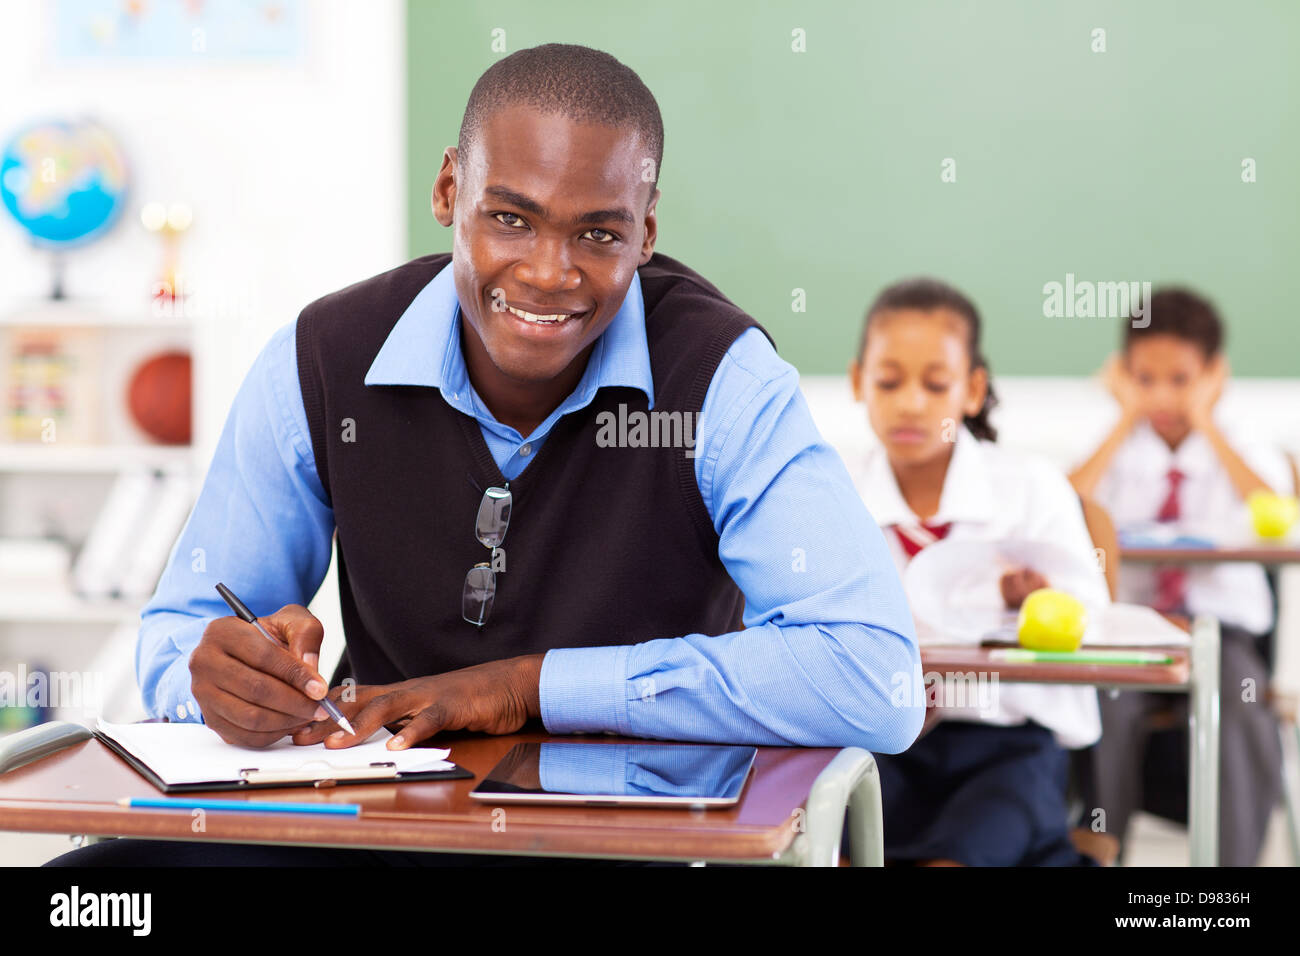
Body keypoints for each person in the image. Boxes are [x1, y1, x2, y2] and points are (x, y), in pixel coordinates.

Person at [48, 43, 921, 866]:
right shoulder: (321, 359)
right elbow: (181, 632)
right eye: (510, 218)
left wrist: (528, 686)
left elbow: (871, 673)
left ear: (646, 233)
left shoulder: (722, 380)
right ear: (447, 190)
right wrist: (220, 679)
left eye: (599, 235)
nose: (548, 272)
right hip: (374, 825)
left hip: (627, 842)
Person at [846, 278, 1108, 866]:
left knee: (969, 847)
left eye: (935, 384)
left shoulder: (1031, 488)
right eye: (889, 382)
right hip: (881, 744)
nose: (911, 403)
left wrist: (1035, 604)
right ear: (858, 382)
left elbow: (1092, 621)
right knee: (828, 831)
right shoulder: (832, 492)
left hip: (1008, 748)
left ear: (973, 390)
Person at [1069, 286, 1294, 866]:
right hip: (1133, 632)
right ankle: (1098, 854)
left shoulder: (1243, 443)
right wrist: (1124, 419)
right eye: (1144, 379)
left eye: (1181, 379)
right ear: (1122, 376)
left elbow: (1274, 513)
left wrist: (1207, 424)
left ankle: (1228, 880)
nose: (1163, 396)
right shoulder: (1115, 445)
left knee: (1238, 704)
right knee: (1104, 702)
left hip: (1223, 635)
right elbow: (1064, 508)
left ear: (1215, 374)